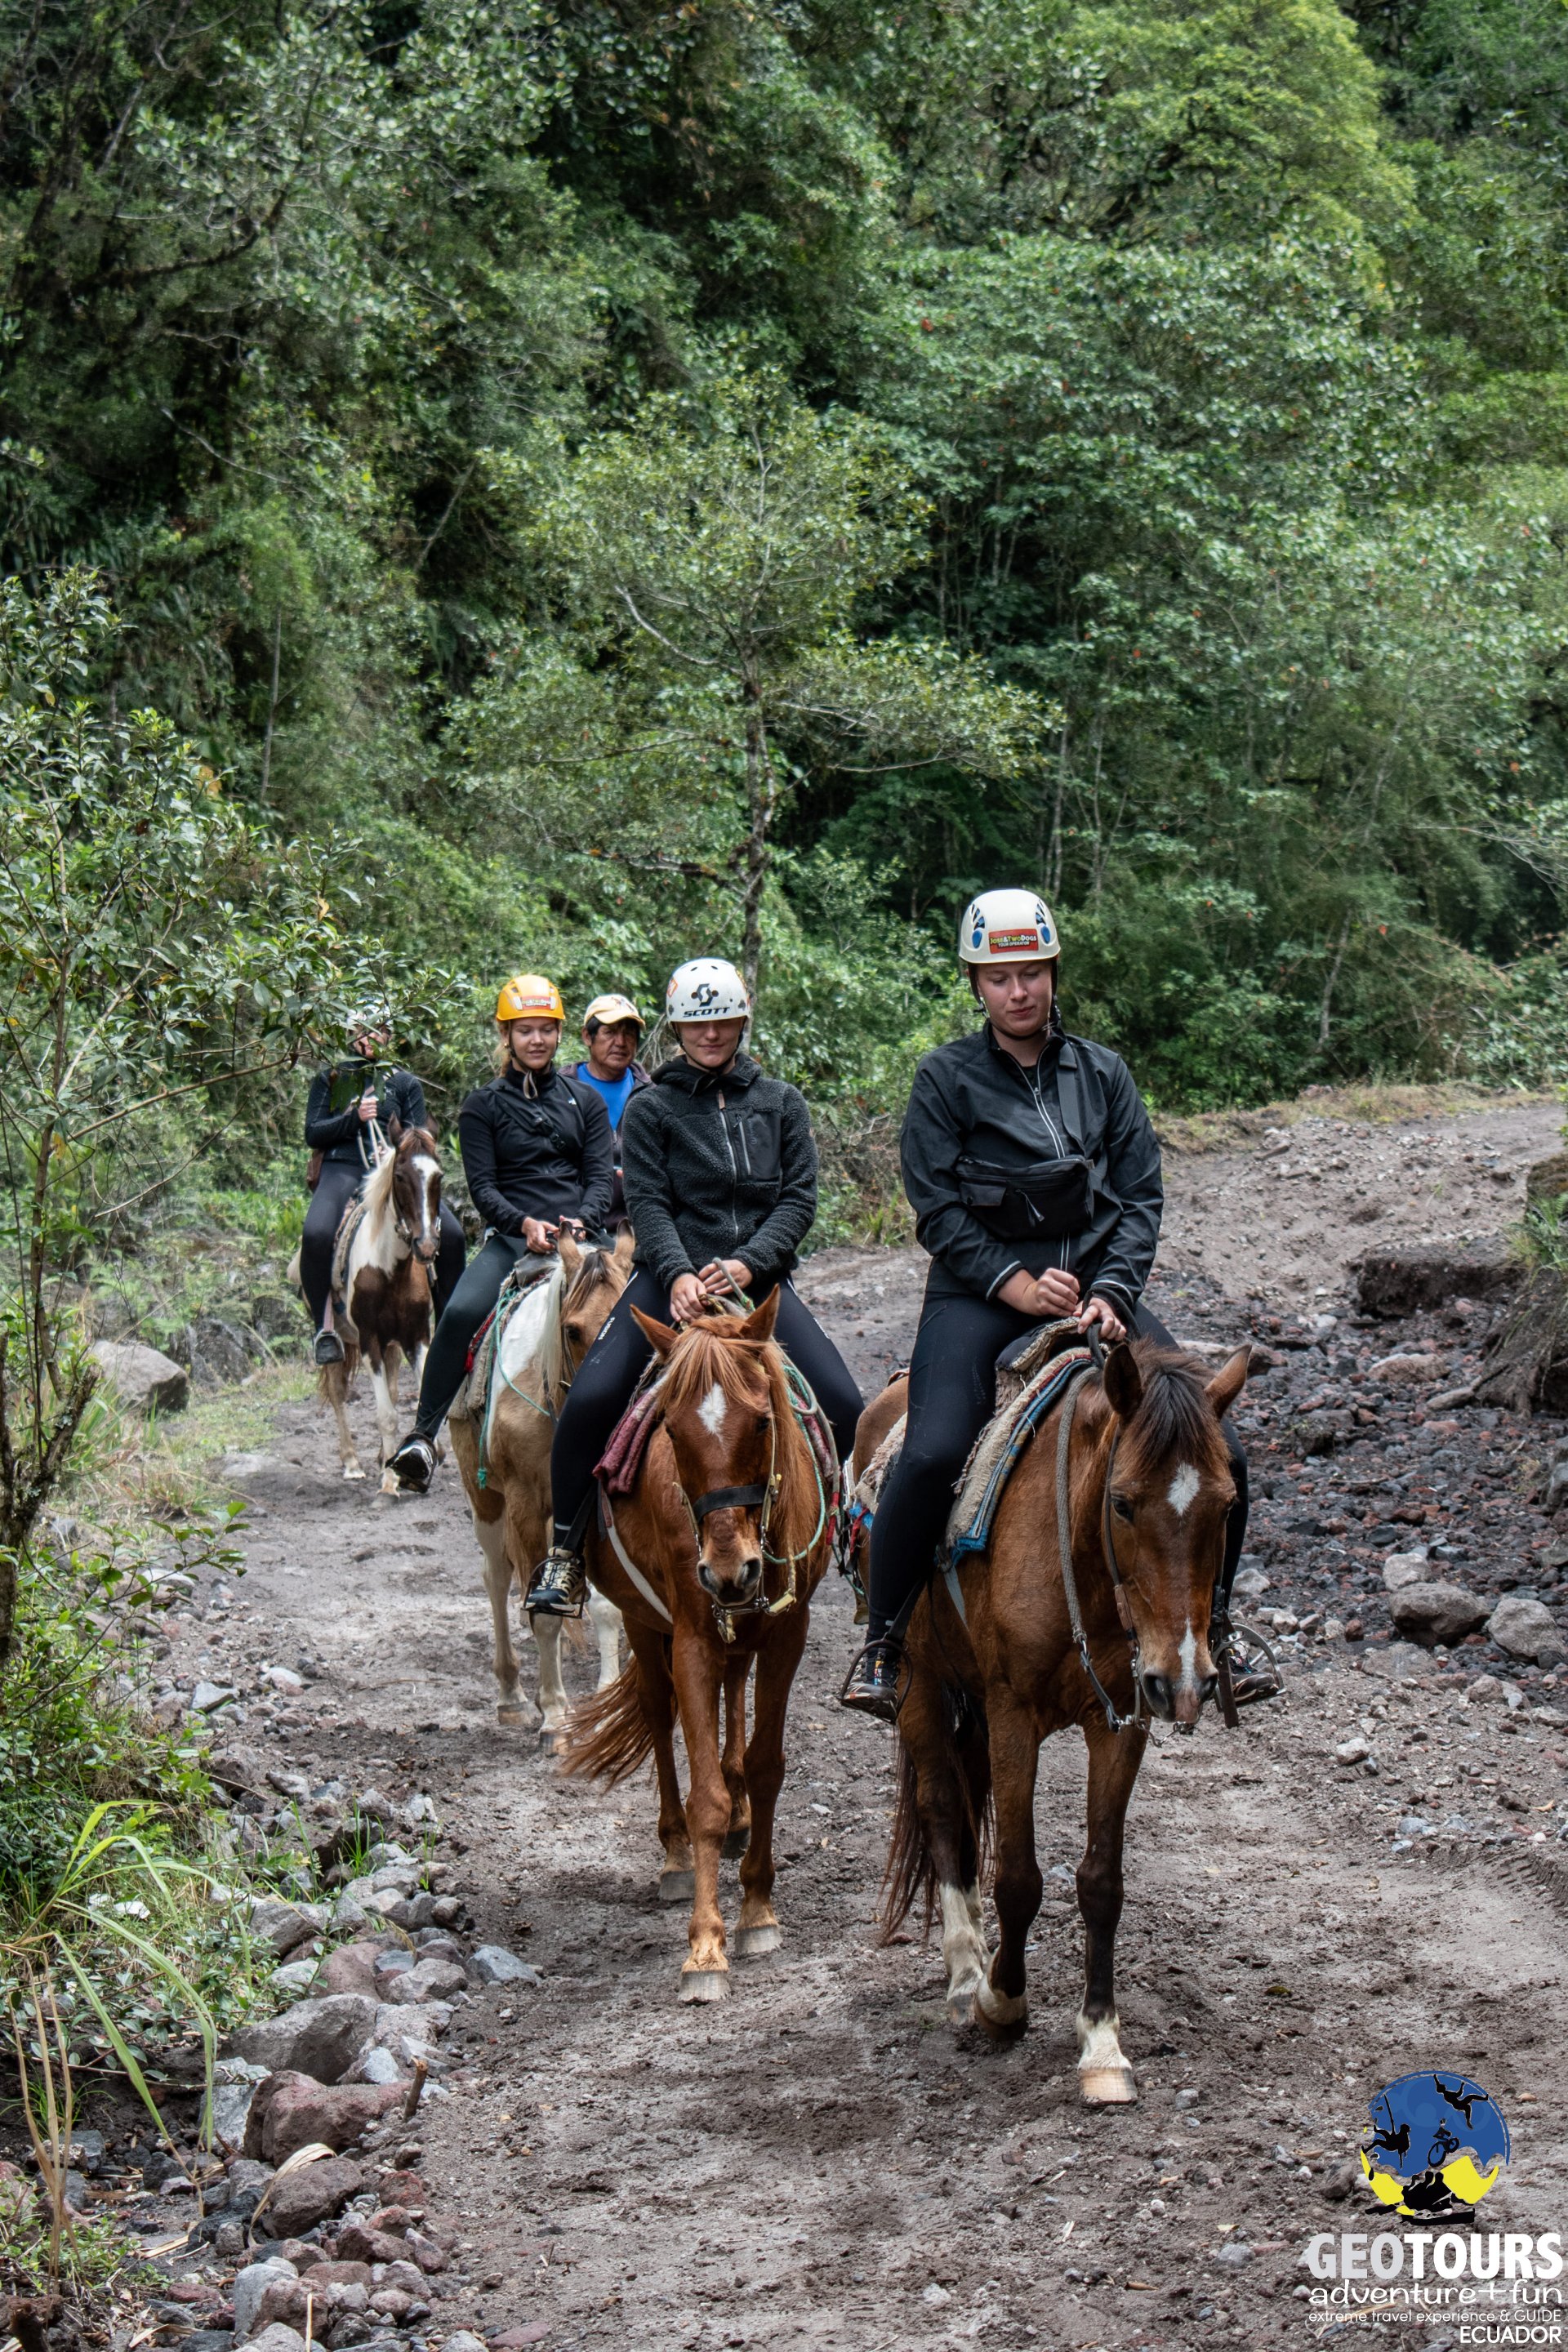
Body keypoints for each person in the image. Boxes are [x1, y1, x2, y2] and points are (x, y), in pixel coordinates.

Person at [840, 888, 1269, 1719]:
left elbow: (1139, 1197)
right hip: (980, 1294)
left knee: (1226, 1454)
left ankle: (1217, 1628)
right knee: (930, 1454)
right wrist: (1015, 1282)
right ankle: (886, 1641)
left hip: (1096, 1295)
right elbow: (936, 1208)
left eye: (1032, 970)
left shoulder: (1103, 1074)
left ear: (1052, 971)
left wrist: (1112, 1290)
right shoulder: (945, 1079)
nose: (1020, 990)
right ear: (977, 985)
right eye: (1000, 977)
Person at [525, 956, 864, 1617]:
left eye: (724, 1021)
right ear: (678, 1029)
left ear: (742, 1020)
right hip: (668, 1278)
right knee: (591, 1398)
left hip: (752, 1281)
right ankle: (565, 1554)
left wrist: (749, 1263)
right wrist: (677, 1272)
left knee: (847, 1406)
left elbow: (798, 1200)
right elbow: (647, 1201)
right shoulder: (654, 1108)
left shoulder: (781, 1103)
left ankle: (846, 1540)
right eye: (697, 1023)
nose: (711, 1034)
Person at [386, 976, 615, 1494]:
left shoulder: (588, 1102)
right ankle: (423, 1436)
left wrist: (581, 1220)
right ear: (506, 1036)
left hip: (583, 1236)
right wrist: (523, 1224)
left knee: (639, 1306)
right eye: (525, 1031)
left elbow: (599, 1176)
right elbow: (484, 1187)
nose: (536, 1040)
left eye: (545, 1031)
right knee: (463, 1311)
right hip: (514, 1237)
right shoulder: (481, 1107)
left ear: (560, 1035)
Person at [301, 1017, 466, 1369]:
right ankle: (324, 1328)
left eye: (379, 1029)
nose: (371, 1036)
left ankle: (449, 1327)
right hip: (343, 1167)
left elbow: (418, 1138)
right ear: (350, 1033)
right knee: (315, 1232)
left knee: (451, 1234)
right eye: (362, 1029)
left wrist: (395, 1153)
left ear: (390, 1035)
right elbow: (313, 1132)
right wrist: (354, 1119)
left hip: (393, 1170)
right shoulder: (331, 1077)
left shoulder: (404, 1083)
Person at [573, 993, 652, 1229]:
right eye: (609, 1032)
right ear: (588, 1036)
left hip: (633, 1229)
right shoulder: (562, 1093)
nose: (620, 1042)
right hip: (574, 1224)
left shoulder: (651, 1097)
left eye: (628, 1033)